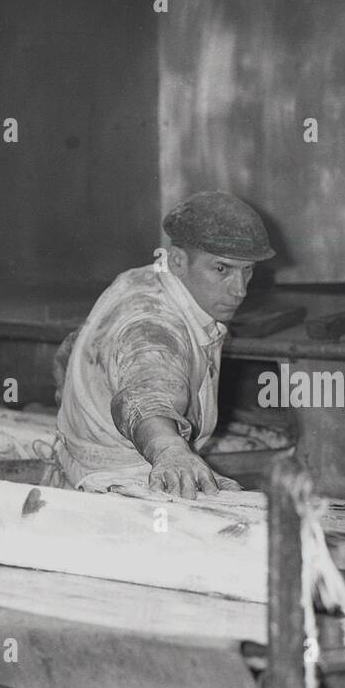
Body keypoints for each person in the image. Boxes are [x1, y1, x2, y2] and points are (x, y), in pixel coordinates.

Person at [49, 190, 274, 498]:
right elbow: (144, 395)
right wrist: (169, 449)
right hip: (121, 485)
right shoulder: (155, 325)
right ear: (179, 260)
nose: (240, 290)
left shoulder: (143, 279)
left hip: (91, 468)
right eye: (222, 269)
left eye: (247, 270)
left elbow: (71, 347)